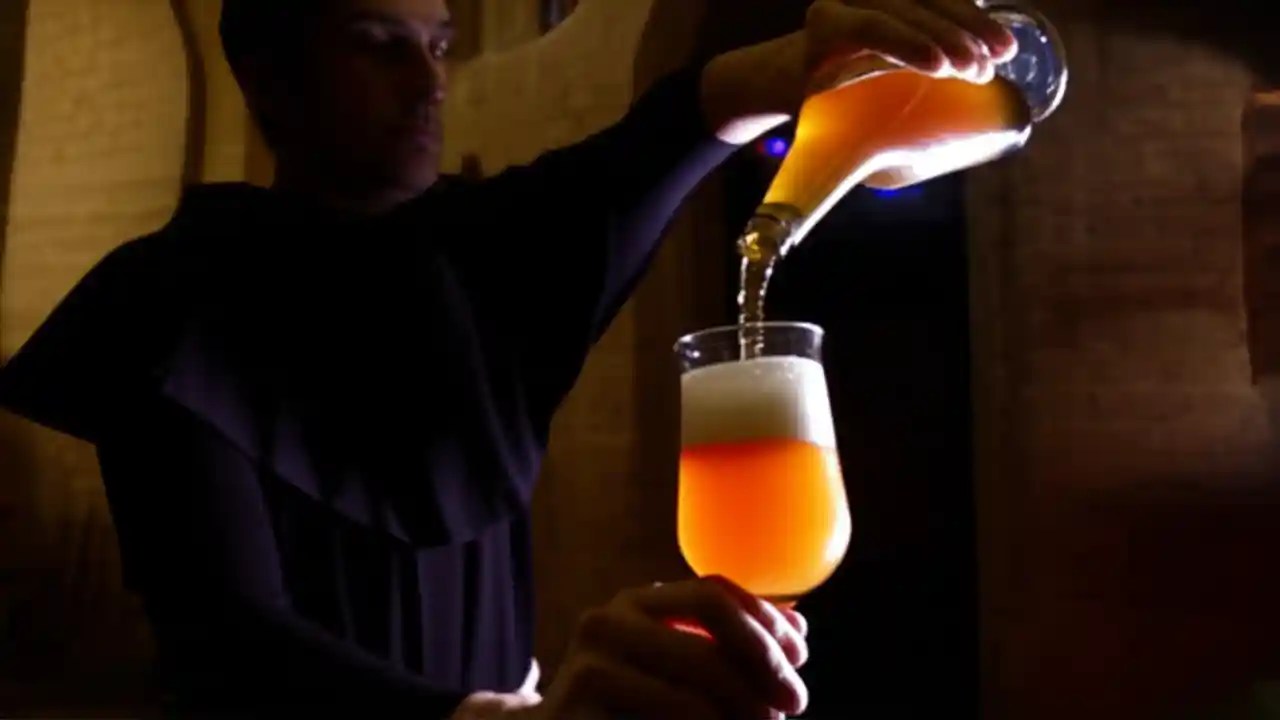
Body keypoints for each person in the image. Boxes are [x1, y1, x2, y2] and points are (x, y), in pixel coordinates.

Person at [0, 0, 1014, 717]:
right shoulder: (170, 297)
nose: (428, 80)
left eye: (438, 43)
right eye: (378, 47)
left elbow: (651, 147)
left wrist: (799, 62)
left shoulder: (478, 251)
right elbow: (231, 649)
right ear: (268, 76)